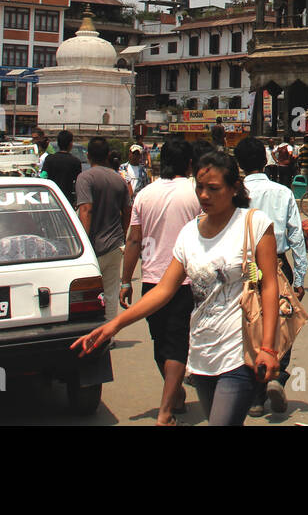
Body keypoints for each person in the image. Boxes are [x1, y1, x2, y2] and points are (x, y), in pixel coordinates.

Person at [72, 150, 281, 426]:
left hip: (240, 351)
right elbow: (164, 290)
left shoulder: (254, 223)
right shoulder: (189, 233)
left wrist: (268, 347)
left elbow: (269, 287)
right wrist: (116, 324)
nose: (204, 195)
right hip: (202, 352)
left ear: (233, 189)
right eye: (200, 188)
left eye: (213, 188)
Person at [119, 139, 200, 426]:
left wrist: (126, 280)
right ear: (189, 163)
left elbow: (133, 240)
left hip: (152, 282)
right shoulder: (196, 193)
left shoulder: (144, 195)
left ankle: (171, 397)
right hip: (185, 282)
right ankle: (168, 406)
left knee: (161, 343)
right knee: (178, 344)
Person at [235, 136, 307, 417]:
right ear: (266, 161)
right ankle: (277, 375)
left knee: (248, 324)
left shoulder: (235, 193)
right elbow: (296, 235)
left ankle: (255, 394)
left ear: (239, 163)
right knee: (283, 320)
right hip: (277, 264)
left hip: (246, 266)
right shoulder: (282, 192)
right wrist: (299, 277)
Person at [76, 136, 132, 321]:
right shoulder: (119, 180)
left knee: (87, 293)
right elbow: (127, 211)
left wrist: (83, 243)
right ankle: (108, 334)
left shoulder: (85, 178)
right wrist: (123, 236)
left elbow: (86, 209)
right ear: (108, 155)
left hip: (92, 246)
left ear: (88, 156)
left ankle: (91, 331)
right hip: (114, 244)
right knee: (110, 291)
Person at [43, 130, 81, 203]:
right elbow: (77, 184)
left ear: (58, 143)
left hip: (50, 198)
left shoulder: (49, 159)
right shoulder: (75, 162)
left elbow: (43, 176)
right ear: (70, 144)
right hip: (67, 199)